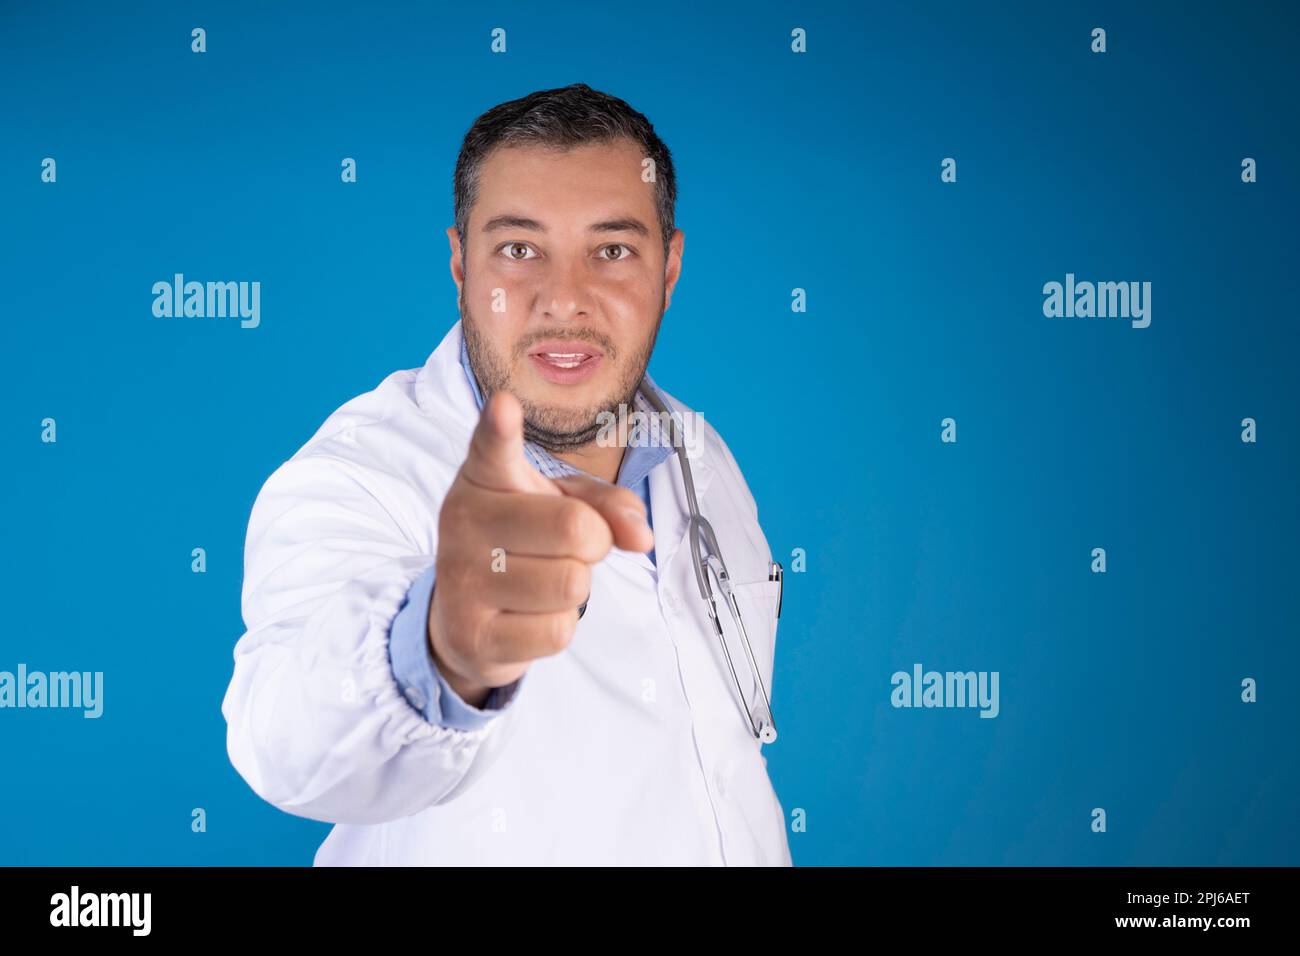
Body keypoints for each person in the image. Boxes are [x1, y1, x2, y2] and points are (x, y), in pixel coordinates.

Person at [221, 83, 792, 866]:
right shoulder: (357, 473)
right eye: (519, 250)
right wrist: (441, 645)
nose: (565, 300)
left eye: (613, 250)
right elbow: (285, 741)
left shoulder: (700, 455)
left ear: (671, 267)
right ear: (460, 263)